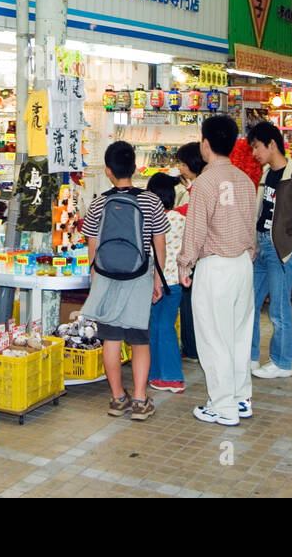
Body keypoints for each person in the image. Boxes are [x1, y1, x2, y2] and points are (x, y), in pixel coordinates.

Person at [176, 116, 259, 426]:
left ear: (206, 144)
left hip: (215, 267)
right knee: (238, 335)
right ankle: (241, 399)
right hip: (242, 265)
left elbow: (195, 231)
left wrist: (185, 264)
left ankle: (221, 405)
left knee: (214, 336)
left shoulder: (205, 183)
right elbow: (250, 224)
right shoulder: (244, 180)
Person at [81, 141, 168, 421]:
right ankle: (140, 401)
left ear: (108, 171)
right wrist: (158, 278)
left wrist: (96, 278)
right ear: (134, 168)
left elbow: (92, 247)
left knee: (112, 338)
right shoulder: (151, 201)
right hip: (139, 276)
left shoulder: (98, 203)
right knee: (139, 339)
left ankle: (118, 398)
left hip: (106, 277)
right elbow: (159, 244)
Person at [246, 121, 292, 379]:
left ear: (271, 144)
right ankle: (251, 357)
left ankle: (282, 362)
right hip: (263, 248)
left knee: (278, 309)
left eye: (257, 147)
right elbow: (262, 211)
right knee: (250, 304)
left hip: (282, 251)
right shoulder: (267, 174)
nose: (254, 153)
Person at [146, 173, 187, 394]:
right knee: (164, 327)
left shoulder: (152, 220)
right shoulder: (180, 219)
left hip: (156, 283)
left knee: (159, 328)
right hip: (176, 283)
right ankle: (157, 375)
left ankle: (170, 377)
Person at [174, 142, 206, 361]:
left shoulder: (199, 188)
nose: (180, 168)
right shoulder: (197, 185)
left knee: (189, 304)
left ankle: (192, 348)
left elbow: (187, 213)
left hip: (195, 256)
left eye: (183, 164)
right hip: (203, 255)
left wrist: (169, 213)